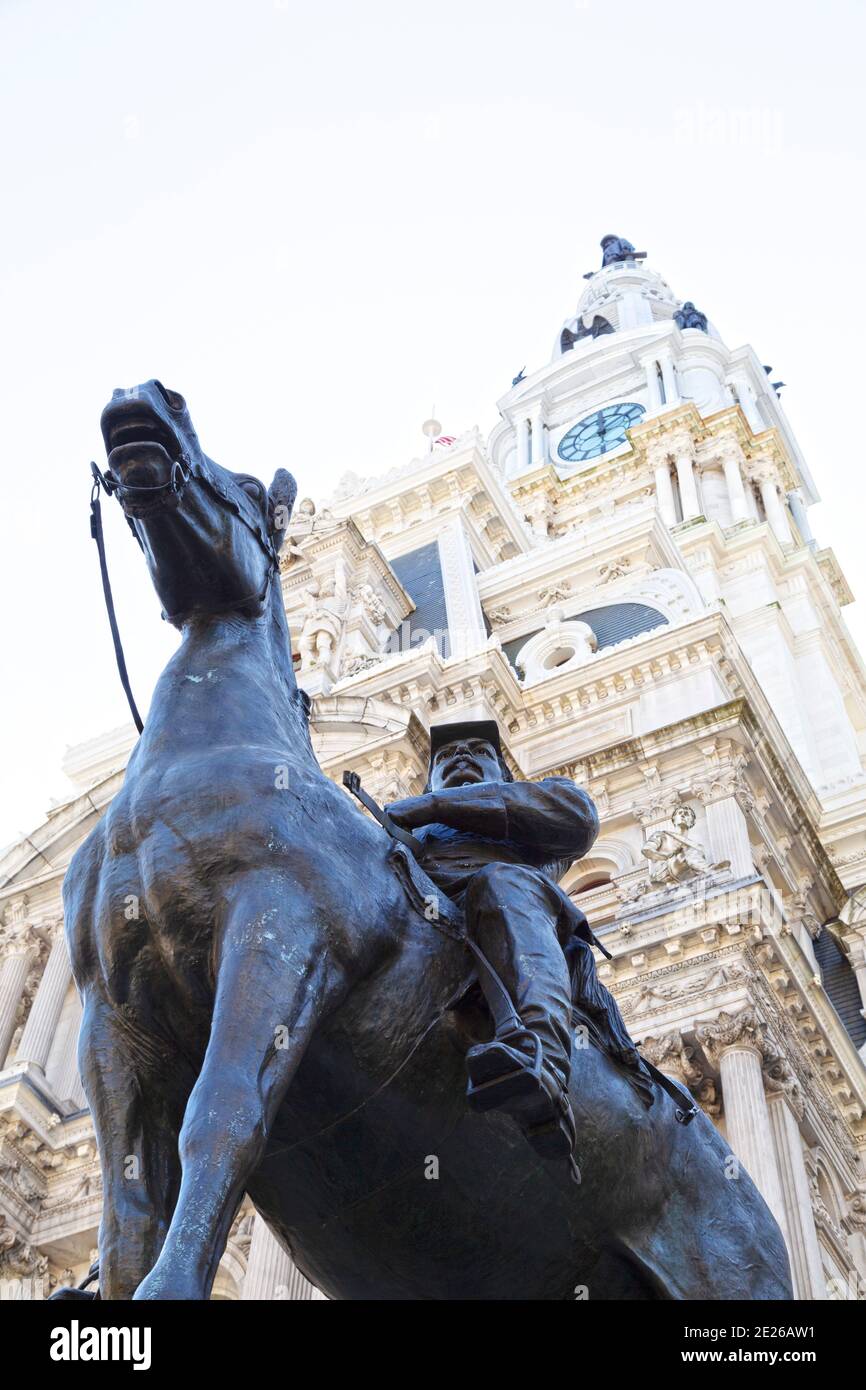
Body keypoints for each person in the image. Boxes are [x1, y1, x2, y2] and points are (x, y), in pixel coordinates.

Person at [386, 719, 642, 1172]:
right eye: (444, 758)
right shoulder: (402, 835)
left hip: (504, 924)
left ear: (504, 776)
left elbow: (578, 817)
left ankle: (541, 1054)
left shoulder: (529, 820)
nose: (459, 756)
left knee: (499, 882)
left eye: (477, 752)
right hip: (417, 930)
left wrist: (433, 806)